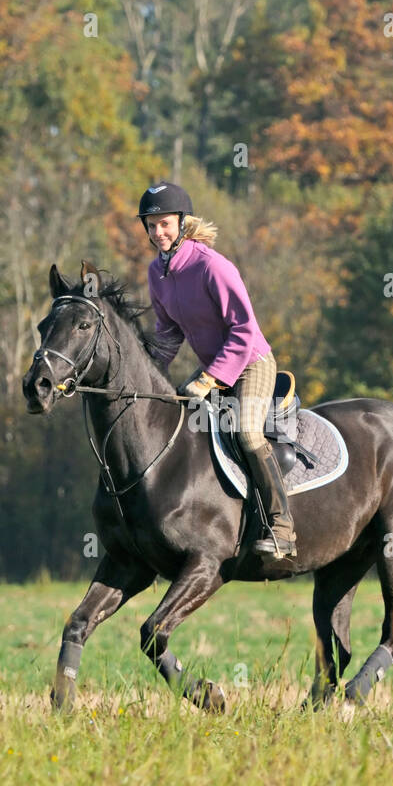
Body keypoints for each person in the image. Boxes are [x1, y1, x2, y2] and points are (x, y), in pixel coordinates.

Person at [138, 181, 297, 562]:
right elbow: (168, 333)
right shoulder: (155, 273)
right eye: (151, 225)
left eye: (165, 224)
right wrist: (144, 373)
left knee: (245, 431)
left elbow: (244, 330)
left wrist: (210, 379)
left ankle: (282, 527)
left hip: (251, 363)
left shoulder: (212, 266)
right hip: (211, 369)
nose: (158, 232)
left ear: (181, 223)